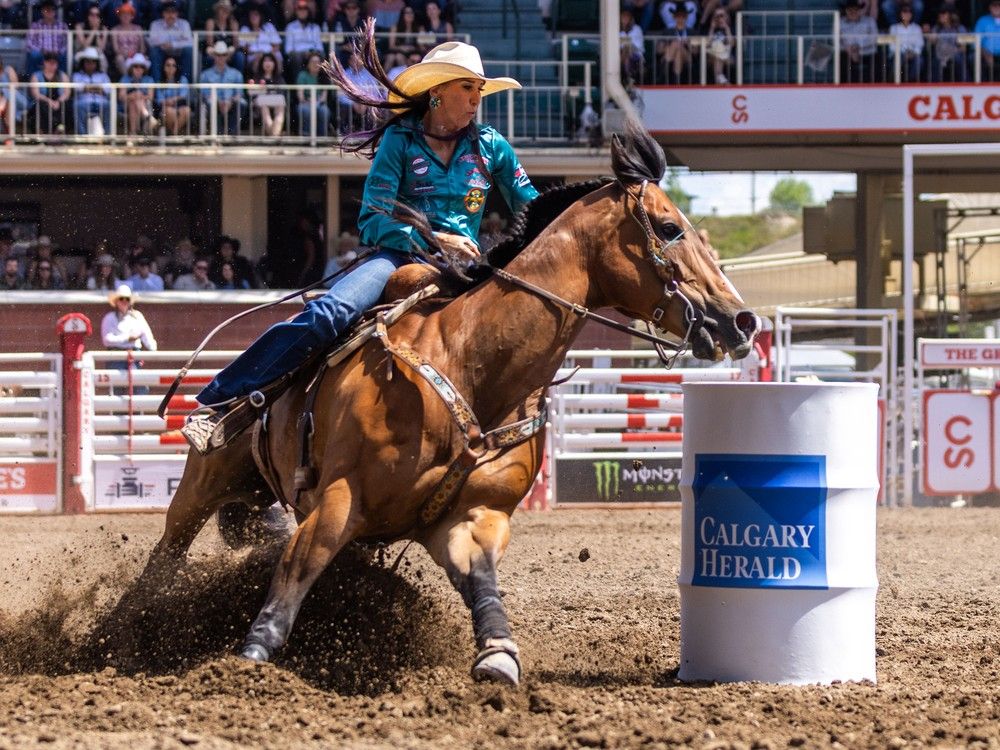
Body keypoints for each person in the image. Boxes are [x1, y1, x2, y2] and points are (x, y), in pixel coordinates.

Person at [182, 30, 539, 452]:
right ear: (438, 91)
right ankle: (223, 402)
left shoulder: (492, 146)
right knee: (331, 312)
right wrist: (432, 238)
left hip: (468, 268)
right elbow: (372, 219)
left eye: (479, 88)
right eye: (467, 87)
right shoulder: (401, 140)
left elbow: (534, 209)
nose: (477, 97)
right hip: (397, 257)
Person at [101, 284, 157, 395]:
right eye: (121, 298)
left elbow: (146, 334)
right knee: (117, 389)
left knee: (140, 387)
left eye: (127, 299)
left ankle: (137, 411)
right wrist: (128, 338)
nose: (124, 301)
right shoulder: (109, 318)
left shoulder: (137, 316)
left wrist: (152, 348)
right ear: (116, 301)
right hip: (116, 356)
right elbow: (107, 340)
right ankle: (119, 412)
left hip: (134, 356)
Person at [200, 40, 245, 136]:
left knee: (242, 103)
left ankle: (231, 134)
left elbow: (239, 93)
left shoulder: (236, 74)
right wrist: (218, 102)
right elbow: (205, 94)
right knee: (210, 103)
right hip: (214, 102)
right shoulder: (205, 75)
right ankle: (218, 134)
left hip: (231, 103)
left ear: (227, 56)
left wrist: (230, 101)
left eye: (223, 54)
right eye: (218, 54)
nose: (221, 57)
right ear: (214, 56)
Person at [336, 49, 382, 133]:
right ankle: (345, 133)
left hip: (366, 102)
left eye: (357, 60)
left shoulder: (370, 74)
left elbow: (375, 92)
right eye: (353, 60)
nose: (355, 63)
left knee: (373, 109)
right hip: (350, 102)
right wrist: (353, 102)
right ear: (349, 61)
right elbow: (340, 94)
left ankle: (370, 134)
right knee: (344, 108)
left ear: (362, 61)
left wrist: (364, 101)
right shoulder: (345, 74)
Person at [149, 0, 194, 83]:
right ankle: (156, 86)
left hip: (179, 53)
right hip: (162, 53)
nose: (171, 15)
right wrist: (168, 43)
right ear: (163, 13)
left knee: (188, 51)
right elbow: (152, 41)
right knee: (154, 51)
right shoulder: (155, 24)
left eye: (173, 12)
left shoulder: (184, 24)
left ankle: (186, 85)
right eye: (168, 12)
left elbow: (190, 42)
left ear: (177, 13)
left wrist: (173, 44)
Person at [73, 47, 112, 136]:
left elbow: (108, 89)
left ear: (96, 63)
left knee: (109, 106)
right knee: (78, 106)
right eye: (87, 61)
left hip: (101, 102)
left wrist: (87, 88)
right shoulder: (77, 75)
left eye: (93, 61)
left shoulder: (103, 75)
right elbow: (78, 88)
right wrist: (98, 88)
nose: (90, 64)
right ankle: (82, 136)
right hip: (84, 102)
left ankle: (108, 135)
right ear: (83, 62)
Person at [29, 52, 71, 135]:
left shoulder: (63, 75)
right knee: (39, 106)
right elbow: (36, 94)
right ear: (45, 62)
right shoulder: (36, 76)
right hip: (43, 102)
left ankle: (58, 132)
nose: (53, 65)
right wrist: (49, 101)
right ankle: (43, 133)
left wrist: (58, 101)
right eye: (50, 63)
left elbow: (67, 93)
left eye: (55, 63)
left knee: (66, 106)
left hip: (59, 103)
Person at [840, 0, 879, 83]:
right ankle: (844, 86)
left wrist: (858, 47)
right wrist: (849, 49)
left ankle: (874, 85)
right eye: (850, 10)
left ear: (859, 10)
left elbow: (874, 38)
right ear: (846, 11)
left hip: (867, 52)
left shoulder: (869, 21)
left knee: (878, 62)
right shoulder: (840, 23)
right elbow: (836, 41)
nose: (853, 12)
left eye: (855, 9)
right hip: (847, 53)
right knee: (842, 62)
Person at [25, 0, 67, 77]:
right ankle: (31, 81)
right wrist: (41, 51)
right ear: (42, 11)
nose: (50, 11)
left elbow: (65, 44)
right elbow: (29, 44)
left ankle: (62, 81)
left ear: (55, 11)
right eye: (47, 9)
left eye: (52, 9)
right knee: (33, 55)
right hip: (41, 54)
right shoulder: (35, 25)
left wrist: (58, 51)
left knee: (64, 56)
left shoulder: (62, 26)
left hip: (56, 54)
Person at [283, 0, 322, 82]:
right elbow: (288, 50)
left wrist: (311, 53)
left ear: (308, 11)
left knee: (315, 59)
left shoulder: (315, 27)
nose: (302, 12)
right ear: (296, 11)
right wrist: (303, 53)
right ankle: (298, 86)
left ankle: (316, 86)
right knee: (296, 58)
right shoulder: (290, 27)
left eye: (304, 9)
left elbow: (319, 48)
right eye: (299, 9)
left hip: (312, 53)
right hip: (297, 55)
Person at [250, 51, 286, 137]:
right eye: (265, 61)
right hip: (260, 105)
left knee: (280, 108)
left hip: (276, 103)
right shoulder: (257, 78)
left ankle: (273, 135)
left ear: (274, 63)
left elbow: (282, 93)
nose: (268, 63)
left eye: (270, 61)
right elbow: (254, 94)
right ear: (262, 63)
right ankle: (275, 135)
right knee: (264, 107)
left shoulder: (279, 78)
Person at [204, 0, 245, 74]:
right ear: (217, 10)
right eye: (222, 9)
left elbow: (236, 44)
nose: (225, 11)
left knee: (239, 56)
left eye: (227, 9)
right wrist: (220, 55)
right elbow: (209, 43)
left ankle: (238, 79)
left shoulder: (233, 23)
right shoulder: (211, 22)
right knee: (209, 57)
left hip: (230, 52)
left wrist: (227, 54)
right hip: (215, 52)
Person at [296, 51, 330, 137]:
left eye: (318, 62)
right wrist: (307, 101)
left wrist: (316, 102)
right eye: (313, 62)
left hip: (319, 102)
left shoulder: (324, 76)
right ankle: (306, 135)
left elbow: (324, 97)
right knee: (306, 110)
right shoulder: (302, 75)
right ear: (308, 64)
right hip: (305, 102)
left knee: (324, 111)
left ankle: (321, 136)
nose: (316, 64)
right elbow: (300, 95)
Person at [121, 53, 158, 135]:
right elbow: (121, 96)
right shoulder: (125, 79)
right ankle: (147, 117)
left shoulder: (149, 79)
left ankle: (133, 133)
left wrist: (139, 96)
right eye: (136, 66)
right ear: (131, 68)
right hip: (127, 105)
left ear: (144, 69)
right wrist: (132, 96)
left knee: (133, 103)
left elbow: (150, 97)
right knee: (133, 102)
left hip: (145, 105)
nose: (138, 69)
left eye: (141, 67)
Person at [929, 5, 968, 81]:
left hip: (955, 54)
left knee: (958, 59)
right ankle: (934, 86)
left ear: (951, 15)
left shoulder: (960, 28)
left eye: (943, 13)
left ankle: (965, 83)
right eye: (940, 13)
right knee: (935, 60)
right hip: (940, 54)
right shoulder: (936, 28)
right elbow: (932, 44)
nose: (941, 16)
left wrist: (951, 51)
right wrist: (931, 39)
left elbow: (963, 48)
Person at [239, 5, 282, 74]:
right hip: (254, 56)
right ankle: (259, 80)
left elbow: (277, 45)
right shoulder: (245, 29)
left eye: (256, 15)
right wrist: (257, 54)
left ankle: (276, 80)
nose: (253, 17)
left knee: (274, 60)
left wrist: (268, 54)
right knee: (258, 60)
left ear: (260, 16)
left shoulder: (269, 27)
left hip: (270, 53)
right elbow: (244, 48)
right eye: (251, 15)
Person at [156, 53, 191, 135]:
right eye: (168, 65)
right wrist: (169, 101)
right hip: (166, 108)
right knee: (169, 111)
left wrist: (173, 99)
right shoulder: (160, 82)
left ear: (176, 68)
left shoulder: (182, 79)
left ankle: (173, 133)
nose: (171, 68)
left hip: (180, 106)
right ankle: (175, 134)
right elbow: (160, 100)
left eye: (173, 65)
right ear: (164, 67)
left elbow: (183, 95)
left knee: (186, 110)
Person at [658, 5, 693, 84]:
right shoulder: (667, 31)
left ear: (686, 17)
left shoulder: (692, 32)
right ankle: (677, 81)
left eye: (683, 16)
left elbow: (695, 52)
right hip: (672, 55)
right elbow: (659, 50)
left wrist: (687, 42)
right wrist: (668, 47)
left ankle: (664, 72)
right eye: (678, 16)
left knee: (676, 44)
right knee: (678, 52)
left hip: (687, 57)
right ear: (674, 17)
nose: (680, 19)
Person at [890, 3, 924, 82]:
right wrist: (903, 52)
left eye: (909, 12)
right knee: (899, 58)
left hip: (913, 54)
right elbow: (892, 46)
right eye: (904, 12)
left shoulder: (917, 28)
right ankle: (894, 81)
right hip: (899, 54)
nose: (907, 14)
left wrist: (913, 53)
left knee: (920, 60)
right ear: (900, 14)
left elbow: (920, 45)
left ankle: (910, 81)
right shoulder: (894, 28)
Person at [110, 2, 147, 77]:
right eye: (123, 14)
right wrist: (127, 54)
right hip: (123, 56)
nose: (126, 16)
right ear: (119, 16)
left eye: (128, 14)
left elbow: (142, 47)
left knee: (144, 58)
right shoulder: (115, 30)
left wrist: (137, 55)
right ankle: (128, 80)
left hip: (136, 56)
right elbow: (116, 49)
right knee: (119, 58)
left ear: (132, 16)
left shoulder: (138, 29)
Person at [74, 3, 110, 72]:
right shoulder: (79, 26)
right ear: (88, 15)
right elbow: (85, 45)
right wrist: (94, 30)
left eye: (97, 15)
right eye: (92, 14)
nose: (94, 17)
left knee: (103, 59)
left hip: (97, 53)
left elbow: (101, 48)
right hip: (82, 52)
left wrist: (96, 32)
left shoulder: (104, 29)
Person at [973, 0, 1000, 81]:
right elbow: (976, 42)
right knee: (974, 58)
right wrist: (985, 53)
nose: (996, 7)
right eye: (994, 5)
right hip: (986, 54)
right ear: (990, 7)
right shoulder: (982, 21)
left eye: (999, 5)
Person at [707, 7, 733, 84]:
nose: (719, 18)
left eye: (721, 15)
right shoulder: (711, 29)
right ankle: (720, 78)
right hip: (712, 56)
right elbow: (708, 44)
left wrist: (727, 28)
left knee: (719, 52)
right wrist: (712, 28)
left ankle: (718, 81)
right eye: (716, 16)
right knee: (718, 53)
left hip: (728, 56)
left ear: (726, 17)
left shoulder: (731, 28)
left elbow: (732, 44)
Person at [619, 8, 644, 86]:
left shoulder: (637, 29)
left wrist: (626, 45)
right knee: (624, 53)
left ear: (631, 18)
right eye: (623, 16)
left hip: (636, 56)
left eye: (627, 16)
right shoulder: (615, 29)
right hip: (620, 55)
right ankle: (627, 78)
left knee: (627, 49)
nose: (625, 19)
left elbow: (638, 46)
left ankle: (623, 77)